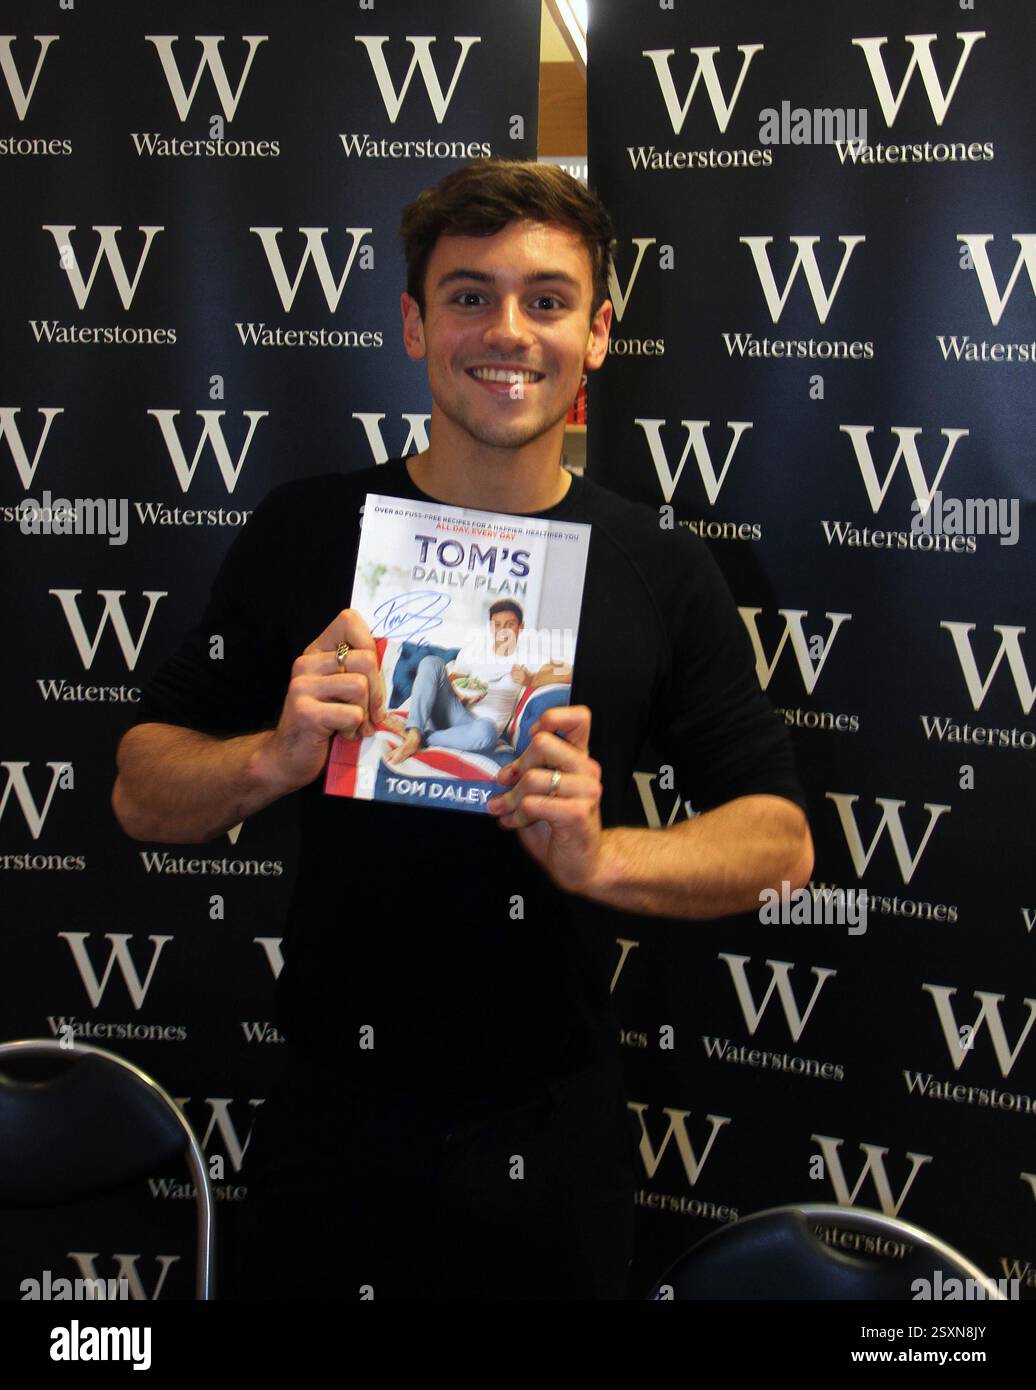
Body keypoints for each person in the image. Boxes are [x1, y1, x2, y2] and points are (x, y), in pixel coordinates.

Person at [112, 159, 813, 1300]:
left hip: (555, 1125)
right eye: (468, 294)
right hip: (331, 1114)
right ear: (412, 323)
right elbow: (143, 788)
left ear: (595, 334)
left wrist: (605, 854)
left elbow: (779, 841)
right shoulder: (305, 530)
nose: (507, 330)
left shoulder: (663, 565)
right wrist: (272, 755)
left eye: (546, 299)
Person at [385, 599, 569, 764]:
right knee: (431, 662)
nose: (503, 631)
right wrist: (460, 694)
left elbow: (569, 672)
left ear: (520, 627)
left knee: (487, 730)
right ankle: (415, 732)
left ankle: (424, 738)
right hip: (455, 713)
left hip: (479, 729)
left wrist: (532, 679)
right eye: (498, 625)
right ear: (491, 627)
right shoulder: (474, 651)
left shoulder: (529, 658)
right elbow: (452, 678)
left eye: (510, 625)